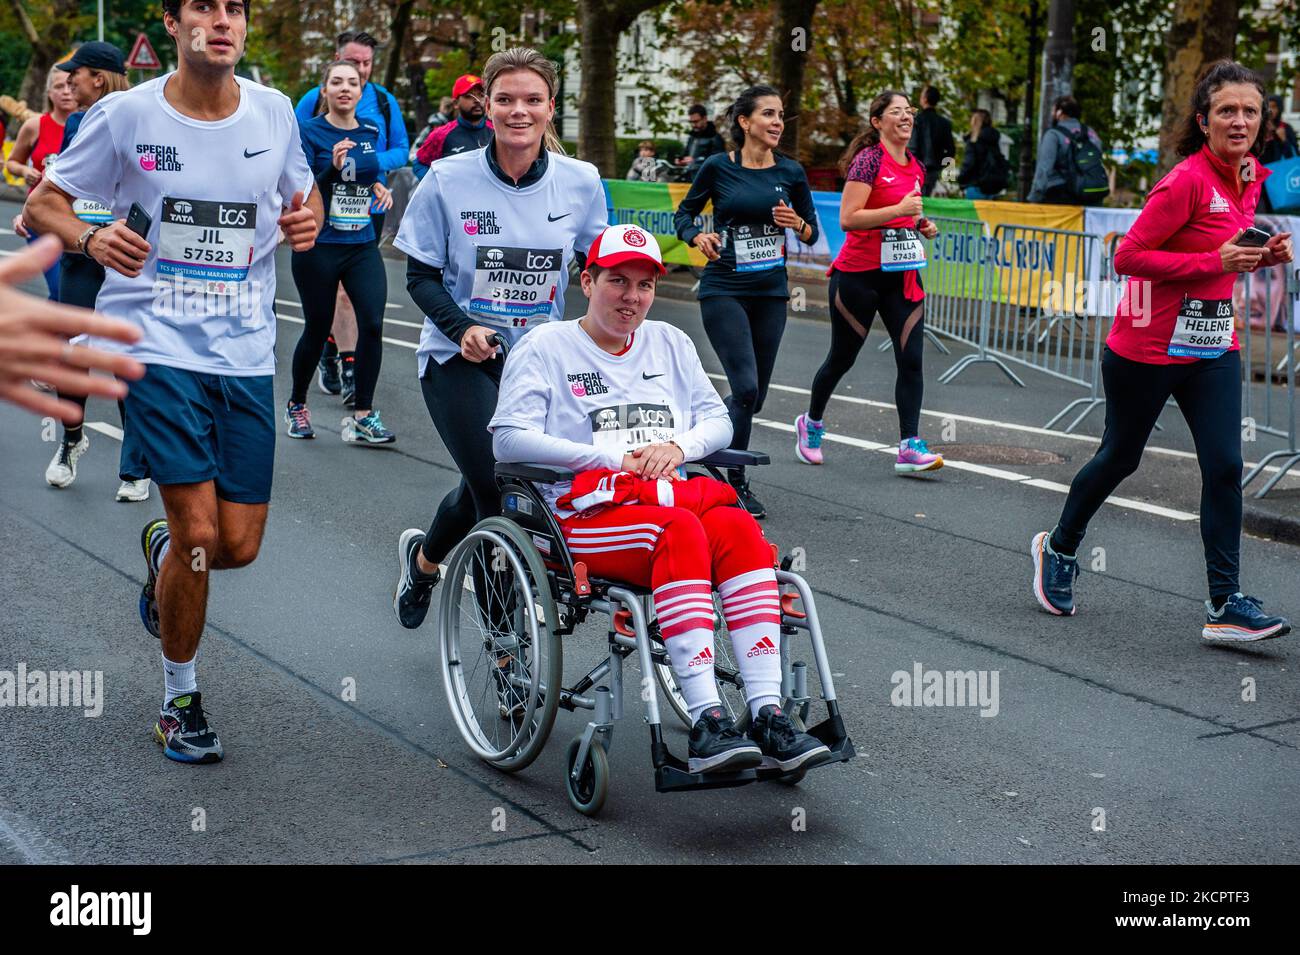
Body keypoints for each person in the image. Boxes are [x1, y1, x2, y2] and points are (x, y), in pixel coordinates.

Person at [26, 0, 322, 763]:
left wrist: (307, 220)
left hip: (245, 352)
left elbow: (302, 194)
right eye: (203, 6)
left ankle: (163, 554)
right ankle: (179, 699)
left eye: (234, 9)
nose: (220, 20)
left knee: (236, 545)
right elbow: (42, 204)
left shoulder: (274, 111)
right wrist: (90, 234)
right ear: (173, 22)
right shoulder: (127, 116)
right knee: (199, 536)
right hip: (152, 341)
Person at [489, 223, 832, 774]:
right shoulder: (545, 346)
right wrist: (611, 460)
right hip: (583, 515)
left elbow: (718, 421)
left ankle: (767, 712)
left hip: (668, 500)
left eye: (644, 285)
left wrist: (678, 445)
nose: (632, 297)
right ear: (587, 280)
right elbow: (507, 439)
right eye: (617, 281)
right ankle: (706, 722)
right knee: (681, 532)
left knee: (740, 530)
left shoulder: (670, 342)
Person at [1031, 60, 1293, 644]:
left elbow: (1223, 252)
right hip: (1147, 346)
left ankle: (1224, 602)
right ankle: (1060, 544)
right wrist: (1215, 262)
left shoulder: (1249, 176)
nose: (1240, 120)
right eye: (1227, 110)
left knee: (1225, 465)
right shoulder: (1185, 181)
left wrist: (1259, 257)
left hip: (1212, 345)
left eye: (1251, 111)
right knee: (1121, 457)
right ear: (1204, 121)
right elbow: (1127, 257)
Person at [391, 47, 608, 630]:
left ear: (550, 108)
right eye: (506, 99)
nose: (519, 111)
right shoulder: (447, 179)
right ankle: (506, 644)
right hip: (458, 359)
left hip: (536, 362)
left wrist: (605, 315)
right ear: (485, 105)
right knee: (500, 488)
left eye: (532, 100)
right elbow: (420, 275)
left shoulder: (580, 182)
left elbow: (598, 266)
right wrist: (463, 329)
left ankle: (424, 562)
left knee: (477, 482)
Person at [672, 84, 819, 518]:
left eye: (780, 115)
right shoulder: (719, 166)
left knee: (753, 396)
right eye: (769, 114)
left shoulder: (790, 172)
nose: (777, 123)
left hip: (771, 291)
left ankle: (707, 435)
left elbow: (811, 229)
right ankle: (735, 482)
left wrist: (798, 225)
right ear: (744, 122)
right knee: (746, 386)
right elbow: (685, 214)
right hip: (724, 287)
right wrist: (697, 235)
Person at [794, 90, 943, 476]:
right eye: (897, 112)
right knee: (842, 359)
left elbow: (904, 216)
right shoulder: (868, 160)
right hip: (858, 277)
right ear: (878, 122)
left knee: (911, 360)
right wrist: (900, 210)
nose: (907, 117)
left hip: (903, 276)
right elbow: (849, 218)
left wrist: (920, 224)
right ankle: (811, 423)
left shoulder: (916, 165)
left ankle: (909, 446)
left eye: (910, 111)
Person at [30, 44, 143, 498]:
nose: (67, 84)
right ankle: (71, 441)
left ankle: (137, 463)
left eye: (74, 75)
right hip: (83, 252)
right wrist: (38, 210)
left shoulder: (144, 117)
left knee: (126, 359)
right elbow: (66, 185)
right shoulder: (79, 122)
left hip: (130, 253)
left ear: (98, 78)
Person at [294, 30, 409, 402]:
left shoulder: (383, 106)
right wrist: (335, 169)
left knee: (361, 306)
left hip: (364, 215)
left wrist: (373, 177)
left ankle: (348, 372)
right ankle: (334, 359)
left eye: (364, 67)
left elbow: (399, 151)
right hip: (321, 223)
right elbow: (295, 160)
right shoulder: (312, 103)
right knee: (330, 304)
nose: (358, 72)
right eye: (350, 64)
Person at [286, 60, 395, 444]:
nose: (345, 88)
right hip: (319, 245)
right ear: (325, 91)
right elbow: (298, 188)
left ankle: (363, 414)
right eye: (337, 82)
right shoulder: (309, 132)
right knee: (317, 328)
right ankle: (297, 404)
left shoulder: (370, 130)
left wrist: (380, 188)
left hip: (361, 243)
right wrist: (330, 169)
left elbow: (368, 174)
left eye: (352, 82)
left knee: (373, 324)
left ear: (361, 92)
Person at [0, 236, 144, 420]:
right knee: (67, 319)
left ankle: (129, 436)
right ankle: (72, 436)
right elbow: (39, 209)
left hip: (124, 258)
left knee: (122, 350)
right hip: (79, 255)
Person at [7, 66, 78, 299]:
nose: (66, 92)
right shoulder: (35, 126)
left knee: (75, 294)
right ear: (49, 92)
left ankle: (56, 332)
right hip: (42, 218)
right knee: (59, 289)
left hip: (80, 218)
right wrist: (25, 170)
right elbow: (12, 163)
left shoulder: (91, 124)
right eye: (59, 86)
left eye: (70, 85)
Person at [1028, 95, 1108, 205]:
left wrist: (1035, 197)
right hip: (1089, 194)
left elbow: (1044, 169)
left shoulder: (1053, 134)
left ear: (1059, 112)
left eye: (1053, 110)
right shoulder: (1091, 133)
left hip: (1060, 196)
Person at [414, 74, 493, 173]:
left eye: (481, 95)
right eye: (469, 96)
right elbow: (419, 164)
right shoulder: (440, 135)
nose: (477, 100)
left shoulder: (497, 133)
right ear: (455, 103)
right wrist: (438, 186)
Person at [907, 86, 955, 197]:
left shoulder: (917, 121)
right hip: (935, 171)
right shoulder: (945, 123)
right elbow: (951, 150)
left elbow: (913, 147)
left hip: (917, 169)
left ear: (924, 99)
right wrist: (943, 169)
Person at [956, 109, 1008, 200]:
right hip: (993, 187)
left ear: (974, 122)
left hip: (975, 185)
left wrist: (960, 178)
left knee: (972, 214)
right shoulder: (994, 140)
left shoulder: (973, 142)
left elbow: (969, 163)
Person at [675, 104, 725, 181]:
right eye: (691, 122)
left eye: (696, 121)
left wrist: (695, 160)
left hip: (706, 180)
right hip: (689, 177)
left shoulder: (715, 137)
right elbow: (686, 154)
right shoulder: (692, 136)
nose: (693, 125)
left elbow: (718, 161)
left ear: (704, 119)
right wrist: (680, 159)